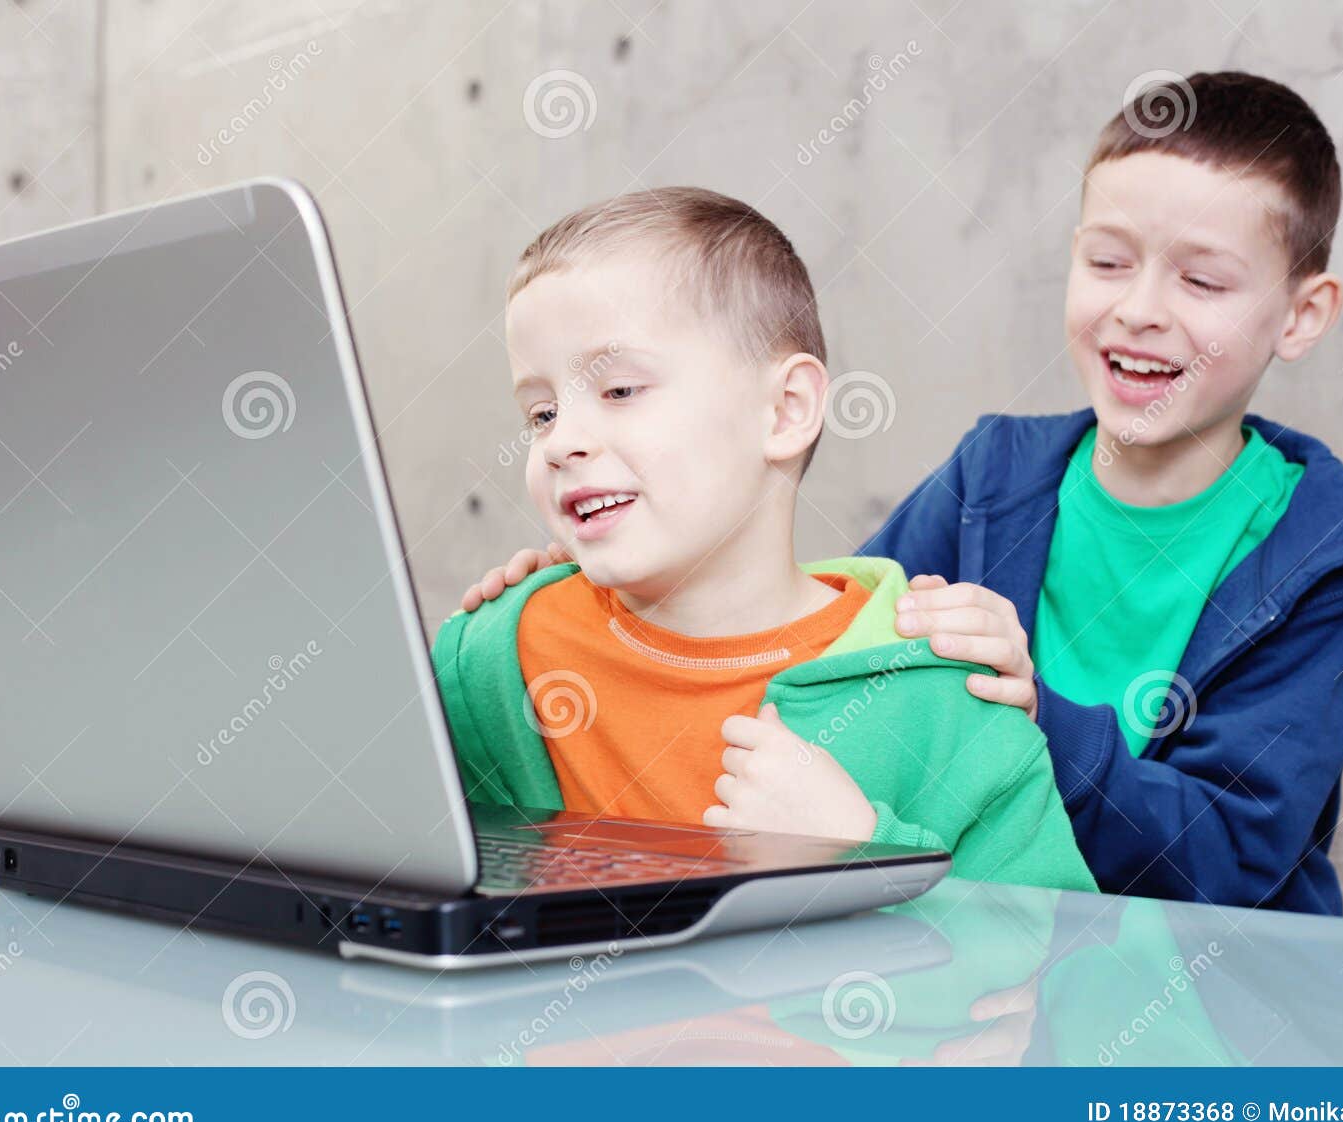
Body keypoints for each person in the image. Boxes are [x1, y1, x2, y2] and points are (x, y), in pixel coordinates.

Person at [467, 75, 1343, 915]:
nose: (1138, 307)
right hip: (983, 959)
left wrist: (1033, 718)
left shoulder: (1329, 558)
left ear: (1301, 315)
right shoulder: (995, 475)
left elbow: (1226, 857)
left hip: (1214, 1003)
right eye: (1105, 261)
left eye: (1200, 279)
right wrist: (613, 555)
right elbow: (824, 632)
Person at [433, 187, 1095, 890]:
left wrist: (864, 857)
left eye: (620, 390)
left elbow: (1050, 973)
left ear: (785, 411)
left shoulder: (945, 702)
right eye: (540, 412)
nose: (561, 440)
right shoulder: (493, 661)